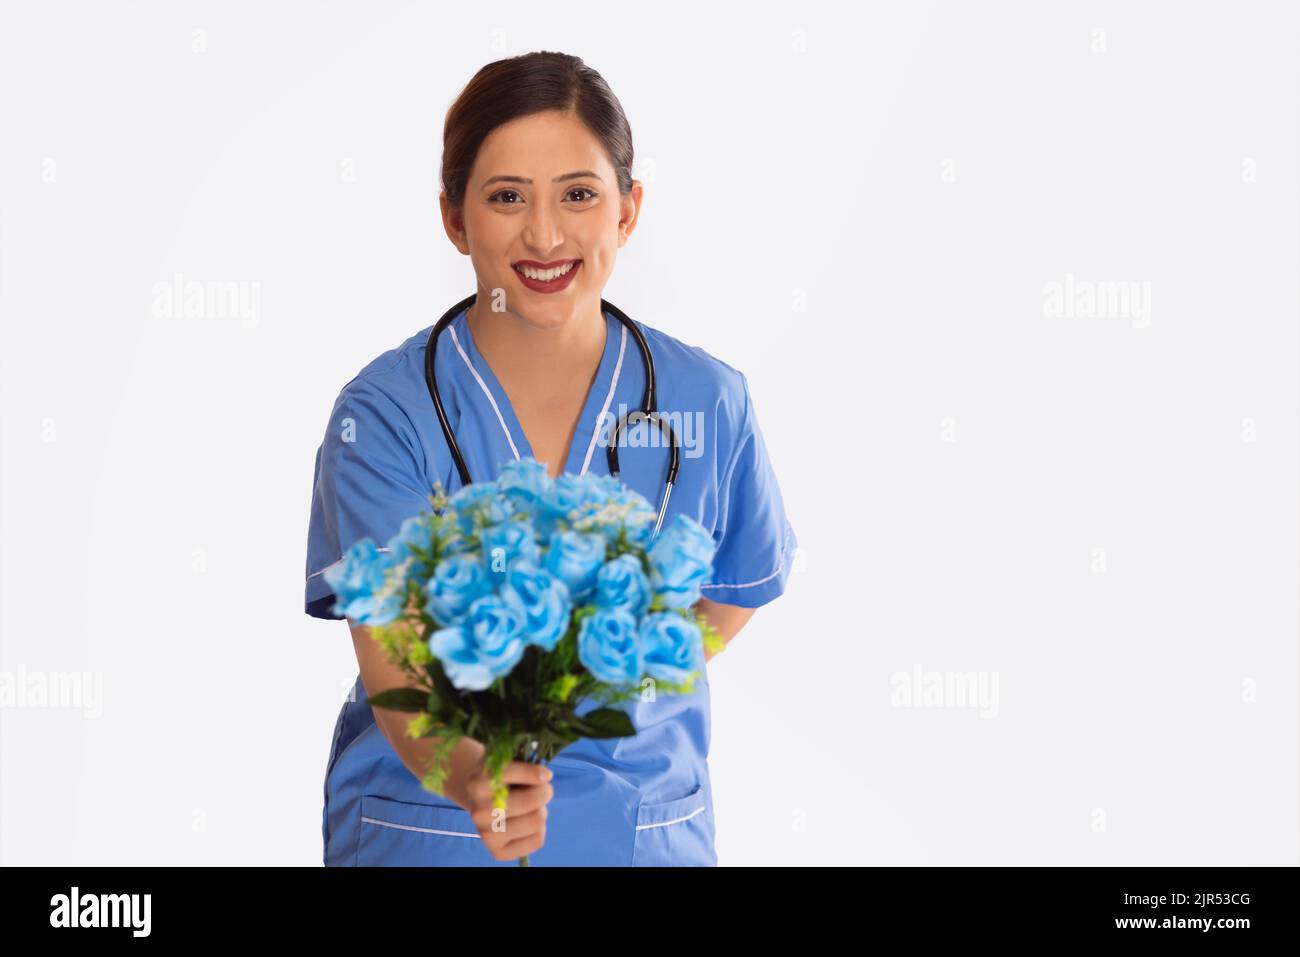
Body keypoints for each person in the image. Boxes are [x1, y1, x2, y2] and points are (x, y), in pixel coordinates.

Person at [304, 50, 797, 866]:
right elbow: (392, 653)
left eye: (579, 194)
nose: (544, 234)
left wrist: (624, 680)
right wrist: (475, 775)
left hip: (643, 830)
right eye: (506, 198)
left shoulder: (708, 399)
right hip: (439, 833)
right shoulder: (384, 416)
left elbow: (736, 585)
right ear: (454, 218)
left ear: (628, 211)